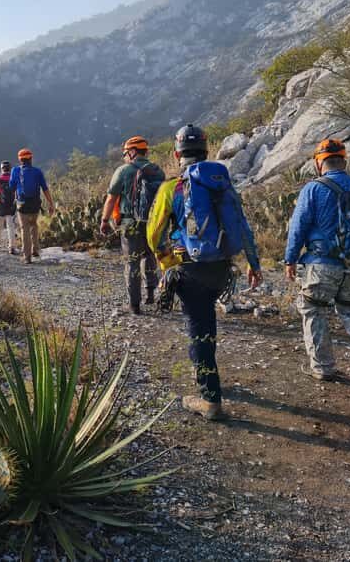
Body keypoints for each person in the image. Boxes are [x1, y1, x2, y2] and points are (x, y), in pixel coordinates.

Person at [147, 124, 262, 421]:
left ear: (176, 154)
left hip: (190, 269)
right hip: (222, 269)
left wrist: (167, 263)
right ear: (207, 151)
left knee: (200, 332)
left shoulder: (171, 188)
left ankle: (210, 398)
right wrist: (254, 263)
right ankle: (207, 377)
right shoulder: (221, 182)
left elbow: (153, 234)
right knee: (206, 324)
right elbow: (242, 225)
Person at [284, 138, 350, 383]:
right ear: (344, 160)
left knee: (312, 309)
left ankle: (322, 367)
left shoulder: (313, 189)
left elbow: (298, 226)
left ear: (319, 164)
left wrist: (290, 258)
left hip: (322, 264)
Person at [100, 136, 165, 314]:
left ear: (133, 151)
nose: (124, 156)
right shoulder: (157, 171)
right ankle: (151, 293)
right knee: (150, 256)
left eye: (125, 153)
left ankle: (134, 305)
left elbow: (111, 198)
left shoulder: (123, 171)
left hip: (130, 223)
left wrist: (105, 220)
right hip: (153, 222)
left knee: (132, 262)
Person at [10, 148, 55, 264]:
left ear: (20, 160)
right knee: (33, 225)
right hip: (35, 204)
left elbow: (11, 187)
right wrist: (51, 204)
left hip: (22, 205)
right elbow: (45, 189)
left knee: (24, 229)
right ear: (31, 159)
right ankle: (35, 249)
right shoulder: (37, 172)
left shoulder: (15, 171)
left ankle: (27, 257)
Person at [0, 160, 18, 255]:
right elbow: (17, 192)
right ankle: (12, 247)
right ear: (10, 169)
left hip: (1, 206)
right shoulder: (13, 179)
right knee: (10, 226)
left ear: (2, 169)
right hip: (11, 205)